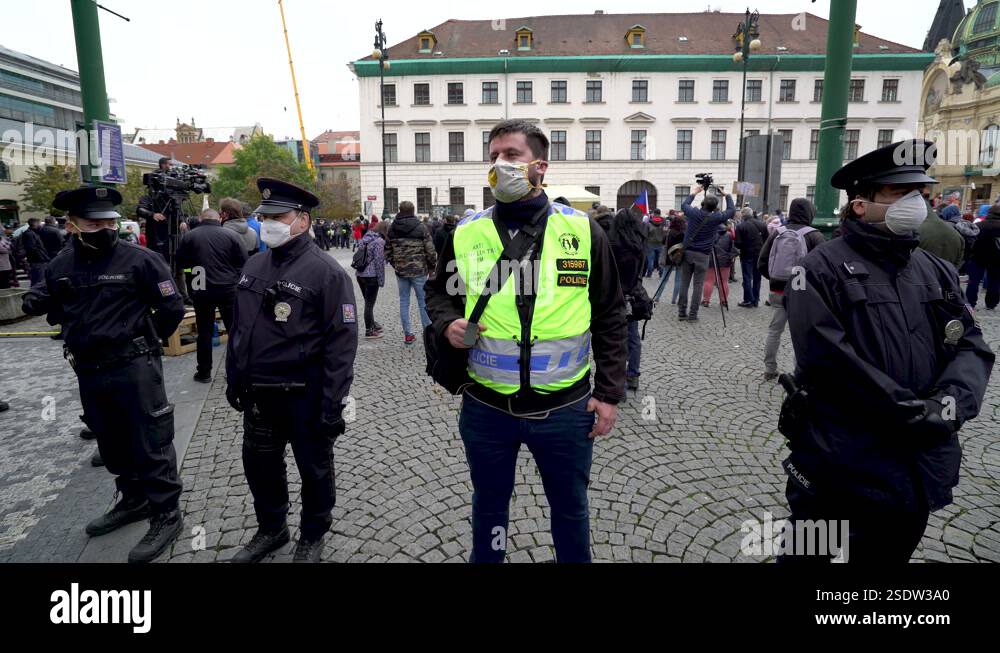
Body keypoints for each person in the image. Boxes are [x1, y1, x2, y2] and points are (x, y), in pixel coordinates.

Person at [779, 140, 995, 563]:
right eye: (900, 193)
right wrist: (914, 413)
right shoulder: (818, 269)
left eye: (920, 193)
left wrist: (949, 405)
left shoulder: (936, 270)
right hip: (842, 466)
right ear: (861, 203)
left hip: (917, 469)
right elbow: (828, 361)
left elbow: (971, 344)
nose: (915, 203)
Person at [425, 119, 627, 563]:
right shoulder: (466, 231)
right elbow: (439, 291)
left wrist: (610, 393)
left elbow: (611, 313)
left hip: (566, 408)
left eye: (511, 156)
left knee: (570, 509)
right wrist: (446, 323)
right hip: (486, 408)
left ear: (541, 166)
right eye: (493, 155)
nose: (499, 165)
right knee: (490, 507)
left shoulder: (582, 231)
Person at [21, 186, 186, 563]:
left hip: (134, 365)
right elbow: (42, 296)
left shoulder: (142, 259)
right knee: (110, 439)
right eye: (93, 223)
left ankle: (166, 513)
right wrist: (39, 300)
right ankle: (133, 499)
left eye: (109, 221)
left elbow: (171, 307)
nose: (104, 229)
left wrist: (147, 343)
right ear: (73, 225)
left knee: (152, 440)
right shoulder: (61, 265)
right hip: (89, 368)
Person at [226, 178, 358, 563]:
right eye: (264, 216)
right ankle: (272, 528)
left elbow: (341, 344)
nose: (268, 223)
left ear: (302, 219)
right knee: (260, 465)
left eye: (278, 216)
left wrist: (333, 403)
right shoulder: (254, 264)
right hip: (260, 394)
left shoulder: (327, 272)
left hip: (306, 394)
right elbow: (240, 328)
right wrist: (236, 376)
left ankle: (313, 534)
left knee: (314, 470)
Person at [176, 208, 248, 383]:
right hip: (228, 289)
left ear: (201, 218)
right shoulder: (231, 235)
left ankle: (204, 372)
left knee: (205, 333)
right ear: (219, 218)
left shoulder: (190, 236)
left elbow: (181, 262)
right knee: (234, 330)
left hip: (201, 290)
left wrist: (192, 274)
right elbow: (243, 261)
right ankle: (237, 371)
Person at [758, 198, 825, 381]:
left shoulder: (778, 232)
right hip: (801, 290)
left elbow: (762, 262)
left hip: (777, 289)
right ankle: (799, 371)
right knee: (801, 334)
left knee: (774, 330)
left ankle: (769, 369)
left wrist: (774, 279)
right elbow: (822, 268)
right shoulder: (814, 235)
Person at [678, 185, 736, 321]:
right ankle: (693, 314)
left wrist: (694, 193)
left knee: (684, 283)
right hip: (703, 255)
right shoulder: (716, 217)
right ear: (715, 207)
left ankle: (682, 312)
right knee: (698, 285)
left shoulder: (693, 213)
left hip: (688, 252)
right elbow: (731, 210)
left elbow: (684, 204)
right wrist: (726, 195)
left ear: (703, 203)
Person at [385, 200, 437, 345]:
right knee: (423, 302)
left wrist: (396, 264)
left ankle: (408, 334)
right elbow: (430, 250)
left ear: (400, 211)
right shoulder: (421, 227)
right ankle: (428, 334)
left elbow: (387, 250)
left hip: (401, 271)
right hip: (419, 270)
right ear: (413, 210)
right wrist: (432, 266)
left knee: (404, 301)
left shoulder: (393, 228)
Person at [356, 220, 387, 338]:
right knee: (369, 304)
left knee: (368, 302)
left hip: (360, 274)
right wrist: (381, 280)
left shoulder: (366, 237)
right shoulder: (379, 241)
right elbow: (379, 262)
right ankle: (369, 330)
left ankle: (372, 324)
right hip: (371, 276)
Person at [966, 204, 1000, 310]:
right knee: (995, 282)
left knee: (974, 281)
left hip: (978, 257)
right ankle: (991, 303)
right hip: (997, 258)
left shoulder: (979, 225)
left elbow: (972, 241)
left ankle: (970, 302)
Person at [734, 207, 768, 307]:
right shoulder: (762, 224)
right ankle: (756, 300)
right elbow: (767, 240)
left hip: (746, 254)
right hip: (759, 254)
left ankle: (748, 300)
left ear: (743, 215)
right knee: (757, 278)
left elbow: (738, 244)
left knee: (747, 278)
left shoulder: (741, 226)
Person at [917, 199, 964, 270]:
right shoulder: (956, 233)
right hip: (947, 275)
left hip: (921, 275)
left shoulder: (917, 229)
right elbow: (958, 260)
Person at [653, 214, 685, 304]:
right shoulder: (684, 233)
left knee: (664, 279)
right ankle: (674, 300)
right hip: (680, 258)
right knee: (678, 280)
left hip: (669, 258)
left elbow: (663, 242)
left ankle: (657, 297)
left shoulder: (669, 232)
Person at [702, 223, 735, 308]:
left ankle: (706, 301)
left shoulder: (708, 234)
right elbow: (733, 249)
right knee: (724, 282)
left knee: (708, 281)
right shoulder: (729, 235)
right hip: (725, 261)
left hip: (711, 260)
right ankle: (724, 301)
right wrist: (729, 257)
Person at [21, 218, 51, 286]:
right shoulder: (30, 234)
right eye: (39, 223)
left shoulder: (31, 233)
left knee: (39, 278)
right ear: (35, 224)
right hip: (37, 261)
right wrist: (42, 256)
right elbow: (32, 248)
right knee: (38, 279)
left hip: (38, 260)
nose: (41, 225)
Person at [644, 210, 667, 278]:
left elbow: (645, 234)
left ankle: (649, 274)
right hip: (661, 244)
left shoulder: (649, 223)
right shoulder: (664, 223)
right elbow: (666, 233)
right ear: (660, 214)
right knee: (660, 260)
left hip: (650, 244)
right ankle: (661, 273)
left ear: (654, 214)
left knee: (650, 260)